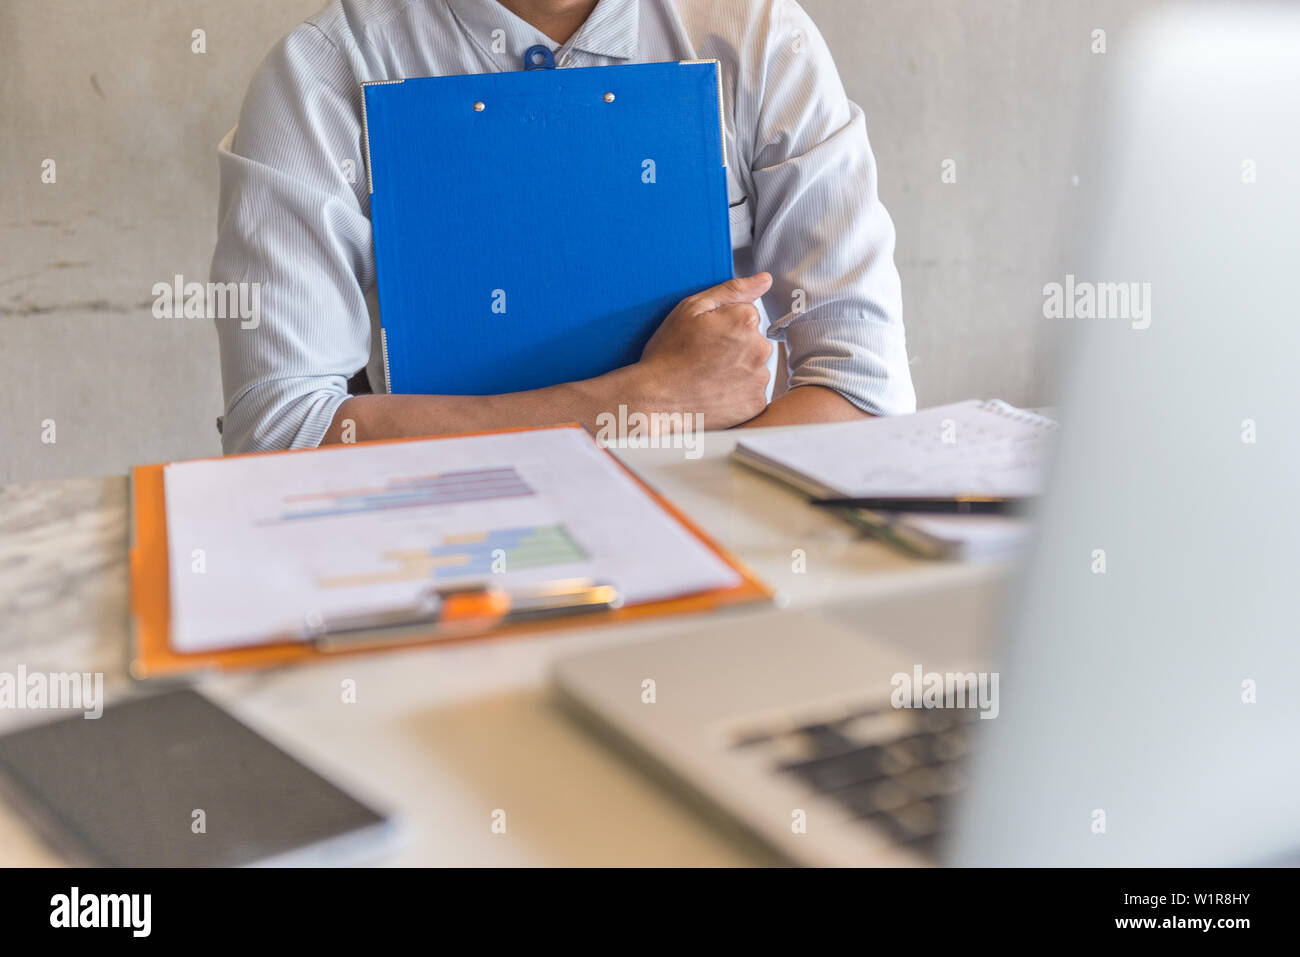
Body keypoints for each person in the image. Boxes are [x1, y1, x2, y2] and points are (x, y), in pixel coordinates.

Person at [212, 0, 916, 453]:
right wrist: (639, 402)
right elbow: (279, 435)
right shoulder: (322, 75)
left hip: (722, 539)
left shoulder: (758, 39)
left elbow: (865, 393)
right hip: (442, 549)